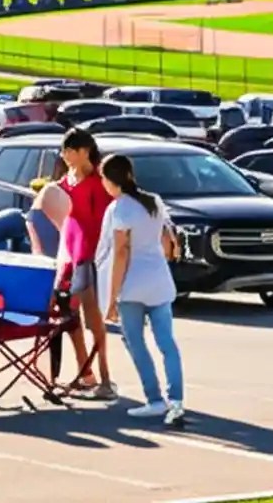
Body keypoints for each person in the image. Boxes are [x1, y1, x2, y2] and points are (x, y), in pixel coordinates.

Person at [96, 154, 185, 426]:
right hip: (159, 281)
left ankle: (154, 400)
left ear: (111, 180)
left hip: (132, 286)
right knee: (167, 343)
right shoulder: (153, 201)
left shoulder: (119, 209)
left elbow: (120, 253)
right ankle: (176, 400)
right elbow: (167, 241)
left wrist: (111, 299)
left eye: (102, 178)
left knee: (136, 343)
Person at [57, 128, 116, 400]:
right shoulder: (64, 181)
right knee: (68, 316)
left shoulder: (97, 184)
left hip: (89, 257)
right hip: (67, 255)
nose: (65, 155)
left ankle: (105, 378)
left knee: (93, 318)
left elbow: (105, 224)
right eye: (64, 150)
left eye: (70, 150)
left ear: (84, 152)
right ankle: (85, 371)